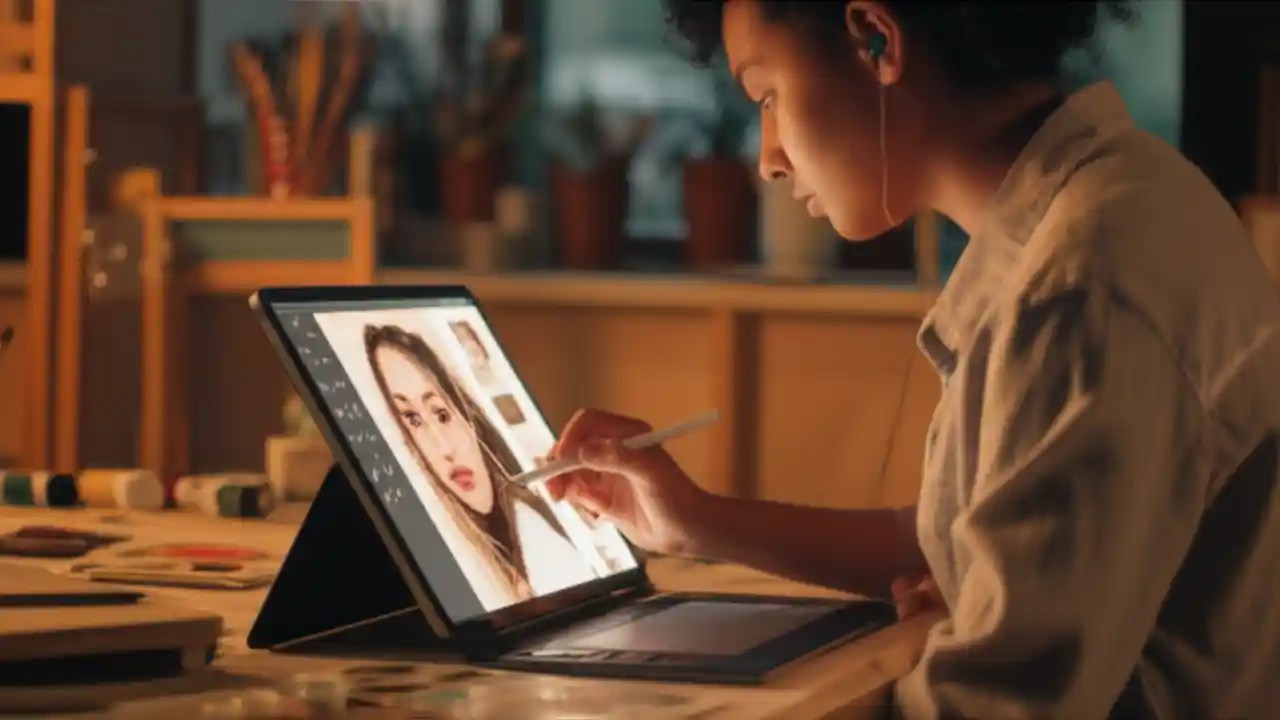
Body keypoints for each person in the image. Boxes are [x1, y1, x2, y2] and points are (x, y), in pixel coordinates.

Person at [545, 2, 1280, 718]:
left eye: (768, 96)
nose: (768, 160)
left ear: (876, 39)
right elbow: (951, 537)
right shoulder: (1117, 196)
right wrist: (693, 522)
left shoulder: (1081, 286)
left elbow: (997, 701)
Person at [364, 323, 595, 608]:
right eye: (412, 419)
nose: (445, 449)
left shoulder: (536, 520)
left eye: (442, 414)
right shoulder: (461, 562)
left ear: (466, 412)